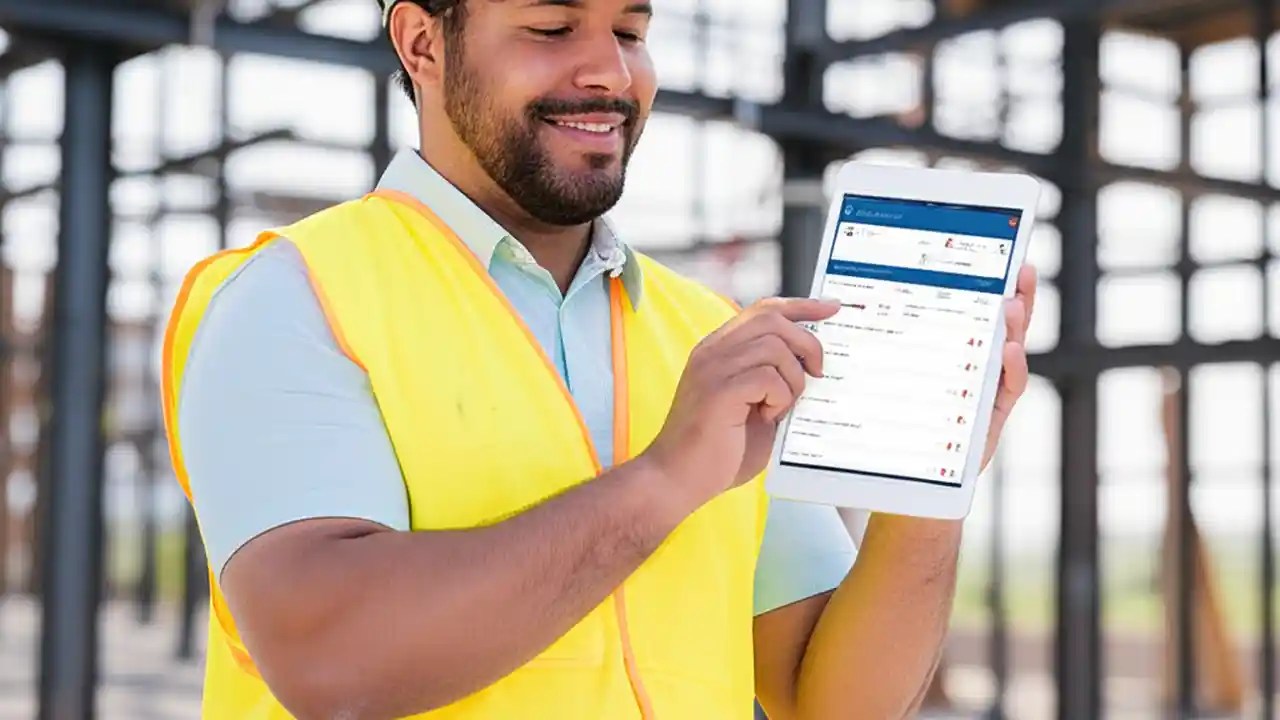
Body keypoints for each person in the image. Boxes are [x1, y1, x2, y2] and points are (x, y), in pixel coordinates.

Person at [160, 1, 1038, 718]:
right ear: (423, 43)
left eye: (630, 31)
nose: (610, 74)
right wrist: (662, 480)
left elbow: (831, 701)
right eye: (553, 28)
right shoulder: (291, 296)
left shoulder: (709, 335)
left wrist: (935, 481)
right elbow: (330, 661)